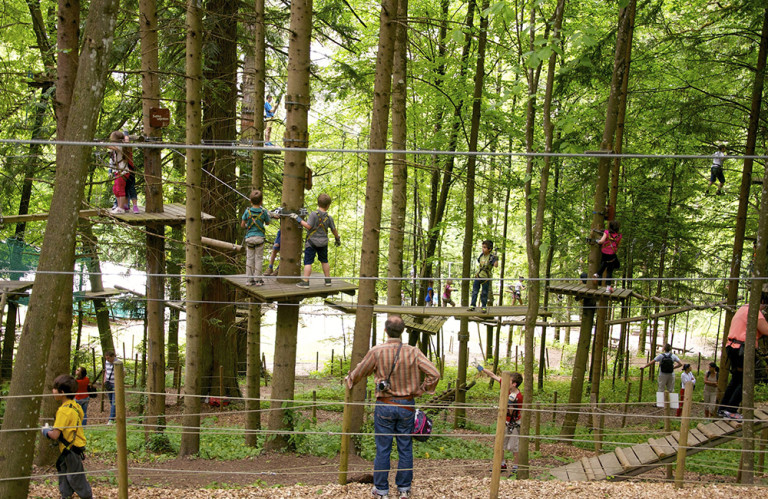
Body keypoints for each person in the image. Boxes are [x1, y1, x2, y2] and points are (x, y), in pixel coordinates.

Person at [345, 316, 440, 499]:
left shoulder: (377, 351)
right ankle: (403, 489)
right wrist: (422, 390)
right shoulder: (413, 352)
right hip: (407, 405)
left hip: (385, 405)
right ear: (403, 331)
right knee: (405, 447)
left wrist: (350, 380)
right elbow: (434, 373)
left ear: (385, 331)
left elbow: (359, 372)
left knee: (383, 448)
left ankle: (381, 490)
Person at [41, 374, 93, 499]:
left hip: (71, 449)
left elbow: (55, 435)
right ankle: (65, 496)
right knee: (64, 475)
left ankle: (88, 497)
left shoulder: (63, 411)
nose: (52, 391)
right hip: (68, 449)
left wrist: (45, 431)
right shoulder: (76, 406)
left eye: (54, 388)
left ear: (62, 392)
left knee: (76, 478)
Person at [718, 293, 768, 419]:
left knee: (737, 378)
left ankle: (723, 408)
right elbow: (766, 330)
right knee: (747, 379)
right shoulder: (754, 311)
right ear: (761, 302)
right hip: (741, 349)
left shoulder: (743, 308)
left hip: (732, 347)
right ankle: (731, 409)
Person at [476, 366, 523, 474]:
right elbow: (493, 375)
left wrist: (509, 403)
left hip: (514, 422)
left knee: (514, 445)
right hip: (504, 421)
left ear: (514, 384)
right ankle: (502, 464)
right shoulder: (506, 386)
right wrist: (481, 368)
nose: (506, 382)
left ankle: (516, 466)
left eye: (509, 380)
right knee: (500, 442)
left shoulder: (518, 396)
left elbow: (511, 412)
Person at [291, 193, 341, 288]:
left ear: (318, 203)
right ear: (328, 206)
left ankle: (306, 281)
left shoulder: (314, 214)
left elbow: (308, 226)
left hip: (312, 243)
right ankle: (328, 280)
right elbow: (334, 230)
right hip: (323, 243)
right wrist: (337, 238)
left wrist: (298, 219)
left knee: (308, 262)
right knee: (324, 261)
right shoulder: (329, 218)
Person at [240, 189, 272, 286]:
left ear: (250, 201)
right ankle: (258, 280)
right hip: (259, 238)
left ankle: (249, 280)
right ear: (261, 201)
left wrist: (248, 226)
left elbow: (242, 225)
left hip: (250, 238)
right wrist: (267, 215)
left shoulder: (247, 212)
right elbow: (267, 223)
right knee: (258, 259)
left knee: (249, 259)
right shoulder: (263, 212)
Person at [468, 240, 498, 313]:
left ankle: (483, 306)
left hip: (486, 277)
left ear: (489, 249)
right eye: (482, 247)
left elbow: (496, 265)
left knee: (484, 293)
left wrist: (496, 258)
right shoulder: (481, 256)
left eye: (484, 247)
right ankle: (472, 305)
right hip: (478, 276)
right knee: (475, 291)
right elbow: (479, 262)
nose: (483, 249)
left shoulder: (491, 257)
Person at [107, 131, 133, 214]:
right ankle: (119, 206)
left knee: (120, 189)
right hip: (118, 171)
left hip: (123, 171)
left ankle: (121, 208)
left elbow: (112, 147)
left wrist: (101, 144)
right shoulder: (119, 146)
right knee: (115, 189)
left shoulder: (121, 146)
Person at [593, 219, 622, 292]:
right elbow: (618, 245)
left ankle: (597, 274)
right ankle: (608, 287)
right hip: (612, 254)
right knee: (610, 270)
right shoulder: (619, 236)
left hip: (604, 252)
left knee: (605, 263)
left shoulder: (607, 232)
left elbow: (601, 241)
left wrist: (597, 241)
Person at [103, 350, 117, 424]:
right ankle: (115, 416)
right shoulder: (107, 362)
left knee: (114, 402)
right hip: (108, 383)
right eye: (106, 358)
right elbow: (106, 371)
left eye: (108, 358)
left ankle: (111, 419)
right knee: (111, 401)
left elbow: (123, 373)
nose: (107, 360)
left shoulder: (118, 363)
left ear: (113, 357)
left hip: (115, 384)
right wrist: (104, 380)